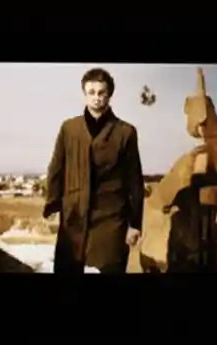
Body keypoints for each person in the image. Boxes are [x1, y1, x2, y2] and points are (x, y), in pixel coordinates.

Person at [43, 67, 145, 274]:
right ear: (84, 94)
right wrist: (52, 205)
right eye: (91, 92)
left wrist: (135, 223)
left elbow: (134, 180)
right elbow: (56, 168)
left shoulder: (125, 132)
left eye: (101, 92)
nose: (96, 98)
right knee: (67, 266)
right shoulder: (69, 128)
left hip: (111, 217)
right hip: (74, 214)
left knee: (111, 266)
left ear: (109, 94)